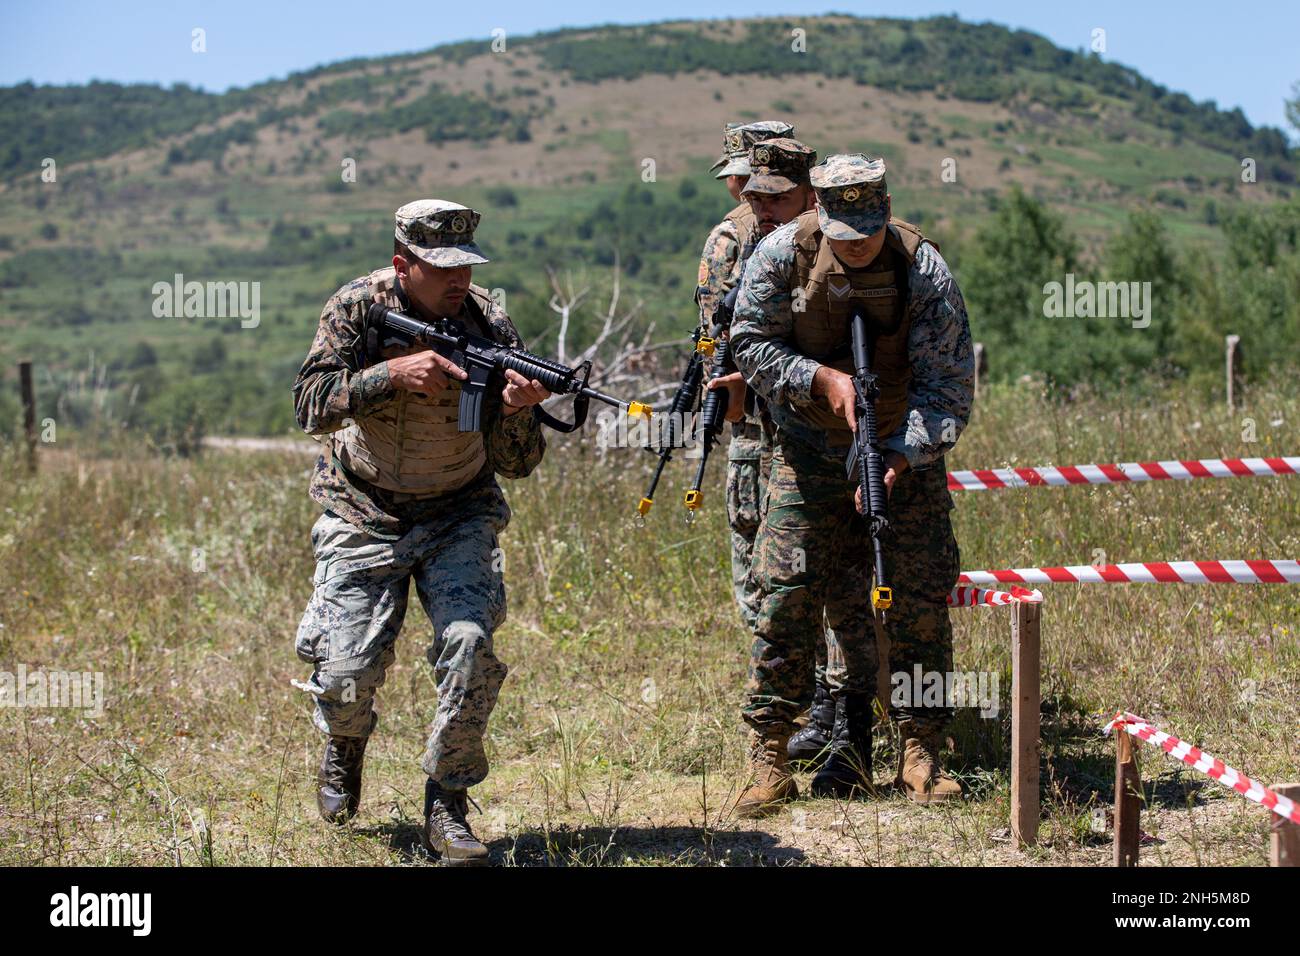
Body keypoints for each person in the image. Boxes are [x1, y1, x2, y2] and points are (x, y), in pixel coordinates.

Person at [292, 199, 551, 865]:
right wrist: (390, 376)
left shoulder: (487, 319)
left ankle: (448, 802)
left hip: (458, 512)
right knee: (346, 673)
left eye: (464, 264)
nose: (456, 279)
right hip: (364, 511)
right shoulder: (356, 307)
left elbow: (517, 464)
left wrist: (520, 411)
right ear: (403, 264)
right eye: (439, 267)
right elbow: (309, 406)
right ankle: (345, 745)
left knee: (469, 643)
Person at [730, 155, 975, 816]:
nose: (858, 243)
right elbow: (747, 344)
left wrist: (899, 457)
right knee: (786, 595)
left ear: (888, 208)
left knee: (918, 598)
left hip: (902, 453)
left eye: (869, 228)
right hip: (808, 451)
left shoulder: (923, 268)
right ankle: (770, 755)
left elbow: (949, 390)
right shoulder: (782, 255)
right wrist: (820, 380)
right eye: (843, 231)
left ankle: (922, 750)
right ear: (819, 209)